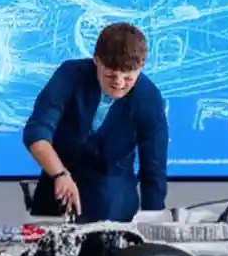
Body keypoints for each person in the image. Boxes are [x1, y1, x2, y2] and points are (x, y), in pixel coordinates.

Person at [22, 23, 168, 223]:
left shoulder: (149, 98)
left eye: (128, 77)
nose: (118, 82)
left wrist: (153, 221)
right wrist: (59, 174)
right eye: (110, 74)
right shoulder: (70, 75)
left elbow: (154, 168)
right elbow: (36, 132)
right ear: (96, 60)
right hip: (57, 187)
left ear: (141, 67)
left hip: (112, 197)